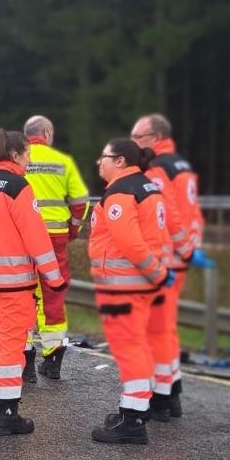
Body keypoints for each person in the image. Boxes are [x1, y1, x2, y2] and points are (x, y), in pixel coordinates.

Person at [0, 129, 66, 435]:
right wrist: (54, 277)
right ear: (14, 155)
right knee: (11, 346)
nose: (28, 161)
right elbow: (36, 237)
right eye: (27, 155)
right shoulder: (18, 187)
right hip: (13, 283)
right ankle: (8, 413)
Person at [89, 139, 174, 444]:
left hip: (125, 284)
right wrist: (159, 275)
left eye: (105, 157)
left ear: (121, 161)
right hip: (142, 284)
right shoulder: (148, 186)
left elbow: (129, 241)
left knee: (130, 349)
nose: (100, 162)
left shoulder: (122, 192)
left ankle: (133, 421)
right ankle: (132, 409)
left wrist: (156, 273)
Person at [130, 114, 209, 418]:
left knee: (156, 329)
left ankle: (161, 396)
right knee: (167, 326)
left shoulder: (158, 168)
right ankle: (171, 387)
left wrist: (182, 250)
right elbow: (194, 213)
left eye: (138, 137)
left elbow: (170, 213)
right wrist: (191, 247)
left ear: (154, 136)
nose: (135, 142)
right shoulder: (181, 165)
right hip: (181, 256)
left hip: (168, 258)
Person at [21, 116, 90, 381]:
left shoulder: (18, 158)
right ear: (47, 132)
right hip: (55, 237)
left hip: (23, 238)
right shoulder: (63, 162)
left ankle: (25, 359)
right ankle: (53, 358)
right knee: (53, 294)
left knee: (23, 294)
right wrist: (73, 228)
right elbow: (81, 201)